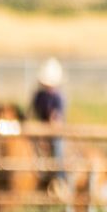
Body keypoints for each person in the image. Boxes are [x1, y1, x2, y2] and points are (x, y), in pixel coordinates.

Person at [32, 58, 67, 189]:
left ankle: (60, 178)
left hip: (54, 130)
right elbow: (32, 112)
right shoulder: (39, 95)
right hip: (39, 128)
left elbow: (57, 120)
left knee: (58, 146)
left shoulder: (58, 98)